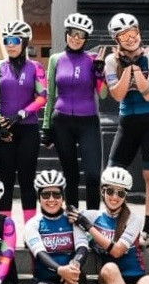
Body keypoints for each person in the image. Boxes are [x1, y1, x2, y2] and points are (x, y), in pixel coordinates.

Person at [103, 13, 149, 248]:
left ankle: (147, 231)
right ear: (116, 40)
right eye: (124, 36)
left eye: (133, 33)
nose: (131, 39)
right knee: (111, 175)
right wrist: (128, 68)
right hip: (128, 121)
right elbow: (118, 95)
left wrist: (137, 69)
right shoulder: (111, 61)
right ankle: (116, 225)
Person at [0, 20, 48, 223]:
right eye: (6, 41)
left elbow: (42, 97)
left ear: (24, 42)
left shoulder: (35, 67)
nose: (10, 45)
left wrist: (21, 114)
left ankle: (30, 229)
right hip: (4, 130)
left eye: (14, 41)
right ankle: (5, 229)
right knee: (5, 181)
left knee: (27, 180)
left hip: (28, 129)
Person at [42, 13, 106, 211]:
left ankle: (93, 220)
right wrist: (46, 127)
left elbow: (103, 94)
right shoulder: (55, 59)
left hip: (88, 121)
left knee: (93, 176)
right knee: (71, 175)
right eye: (72, 33)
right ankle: (72, 217)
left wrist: (99, 73)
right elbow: (50, 94)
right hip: (61, 121)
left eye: (81, 35)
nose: (76, 38)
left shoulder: (92, 59)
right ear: (66, 34)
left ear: (86, 38)